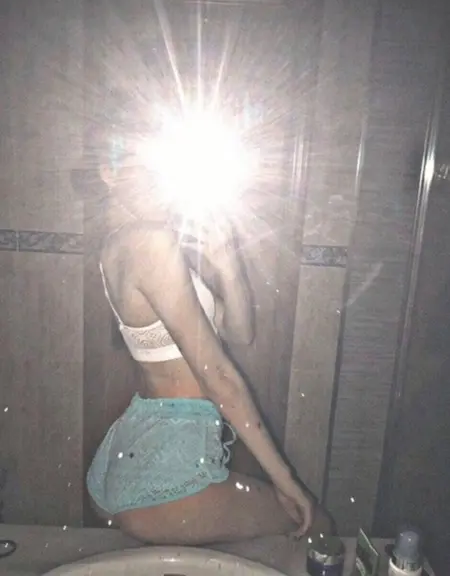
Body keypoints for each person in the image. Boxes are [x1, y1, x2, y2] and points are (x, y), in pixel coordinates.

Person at [85, 114, 334, 545]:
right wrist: (287, 480)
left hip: (138, 447)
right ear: (108, 172)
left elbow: (238, 333)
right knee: (318, 529)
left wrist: (227, 264)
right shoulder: (150, 243)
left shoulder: (121, 243)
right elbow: (218, 375)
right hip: (169, 462)